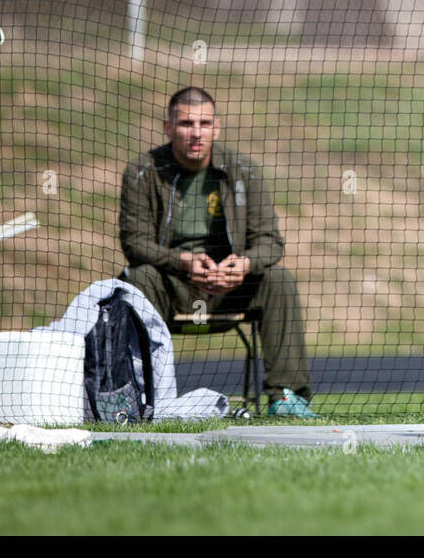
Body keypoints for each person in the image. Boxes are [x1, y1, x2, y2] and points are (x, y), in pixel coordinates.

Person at [120, 87, 316, 417]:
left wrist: (244, 264)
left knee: (278, 279)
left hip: (232, 289)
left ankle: (286, 398)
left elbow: (271, 241)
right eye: (186, 123)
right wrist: (182, 262)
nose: (196, 133)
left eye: (205, 123)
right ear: (168, 128)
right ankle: (138, 395)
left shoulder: (245, 172)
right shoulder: (143, 172)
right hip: (173, 287)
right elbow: (134, 244)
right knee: (137, 279)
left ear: (217, 127)